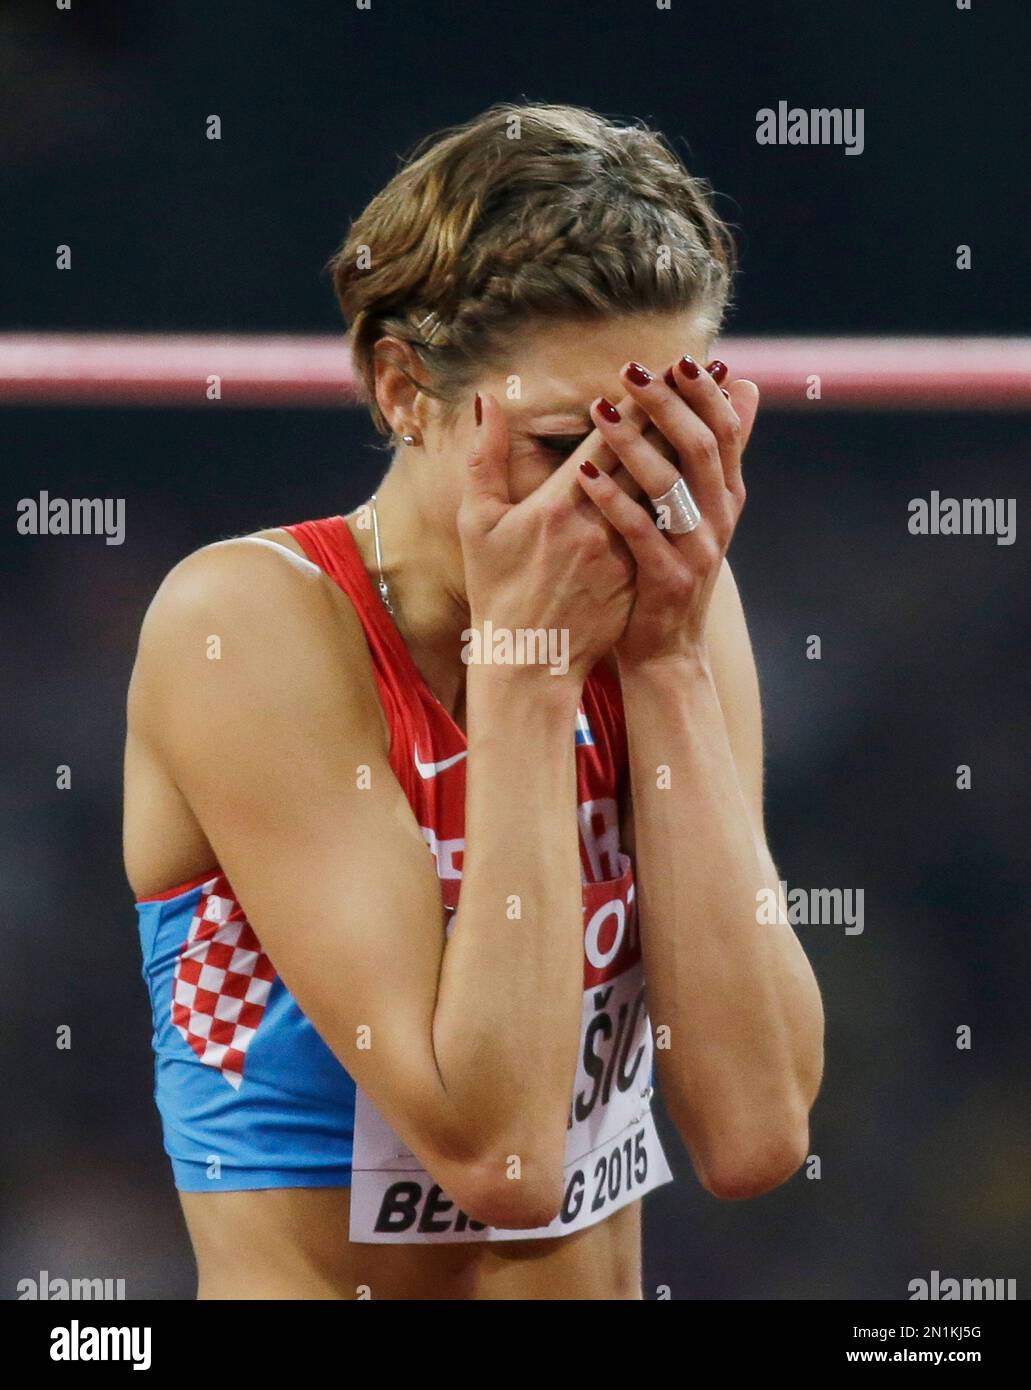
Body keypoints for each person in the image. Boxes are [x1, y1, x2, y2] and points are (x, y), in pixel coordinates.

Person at [124, 102, 824, 1300]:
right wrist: (528, 671)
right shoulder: (245, 626)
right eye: (570, 444)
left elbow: (754, 1132)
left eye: (664, 436)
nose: (627, 500)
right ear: (403, 388)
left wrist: (660, 665)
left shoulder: (674, 598)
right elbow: (499, 1156)